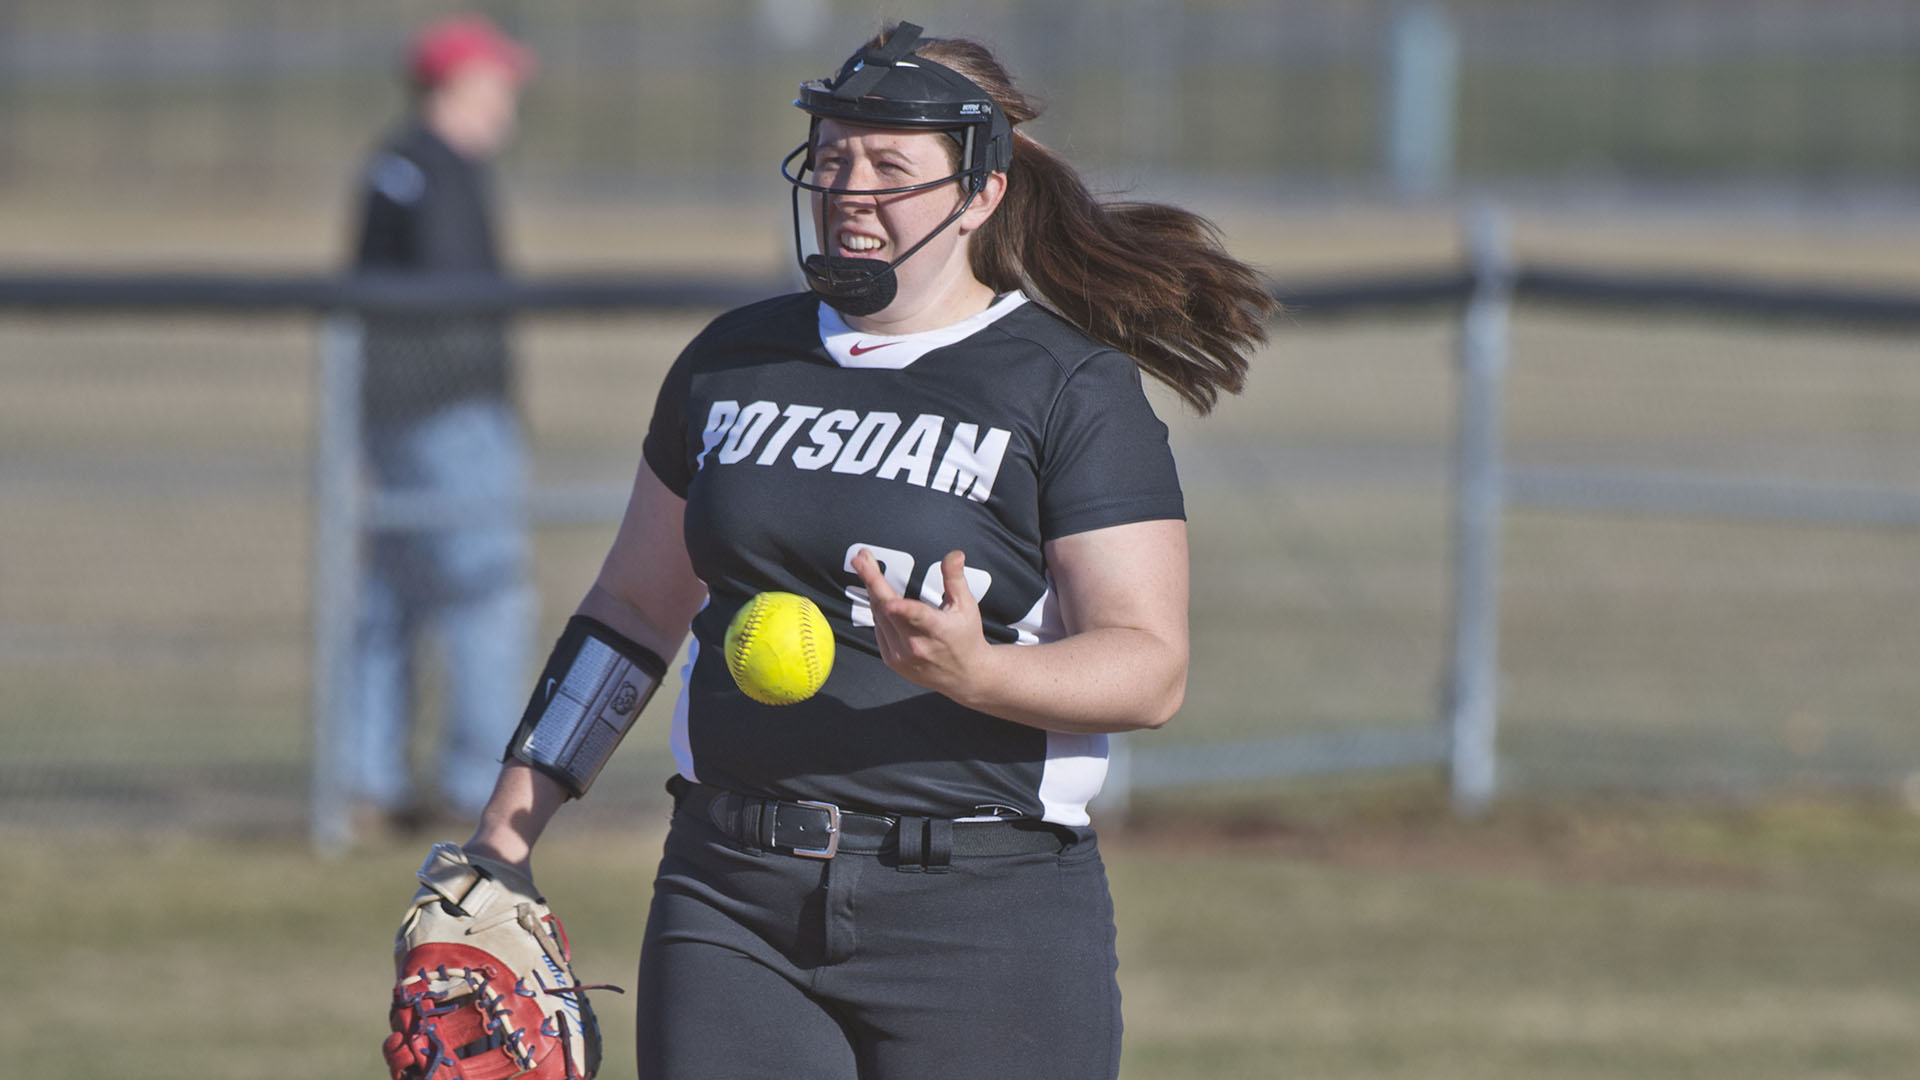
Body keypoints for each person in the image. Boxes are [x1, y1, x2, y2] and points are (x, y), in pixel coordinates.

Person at [455, 20, 1275, 1079]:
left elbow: (1148, 665)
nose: (851, 187)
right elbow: (630, 611)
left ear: (980, 191)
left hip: (987, 913)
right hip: (729, 894)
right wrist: (502, 840)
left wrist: (979, 672)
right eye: (834, 157)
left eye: (892, 166)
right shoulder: (734, 360)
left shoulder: (1068, 387)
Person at [344, 14, 538, 833]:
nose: (510, 103)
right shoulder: (428, 166)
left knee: (397, 591)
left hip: (407, 415)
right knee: (482, 590)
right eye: (498, 84)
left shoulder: (412, 163)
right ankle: (472, 786)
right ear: (457, 86)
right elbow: (449, 292)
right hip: (445, 414)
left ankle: (363, 774)